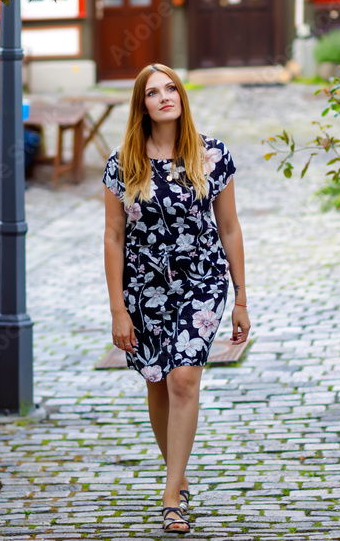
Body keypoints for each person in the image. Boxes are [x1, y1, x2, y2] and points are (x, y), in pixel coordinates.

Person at [102, 64, 250, 534]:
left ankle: (171, 498)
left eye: (171, 88)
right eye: (153, 92)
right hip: (143, 288)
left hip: (202, 281)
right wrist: (118, 309)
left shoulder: (211, 155)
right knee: (157, 381)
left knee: (183, 378)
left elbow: (229, 227)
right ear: (142, 105)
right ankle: (178, 476)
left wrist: (241, 298)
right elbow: (113, 236)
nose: (165, 97)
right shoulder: (124, 163)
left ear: (182, 96)